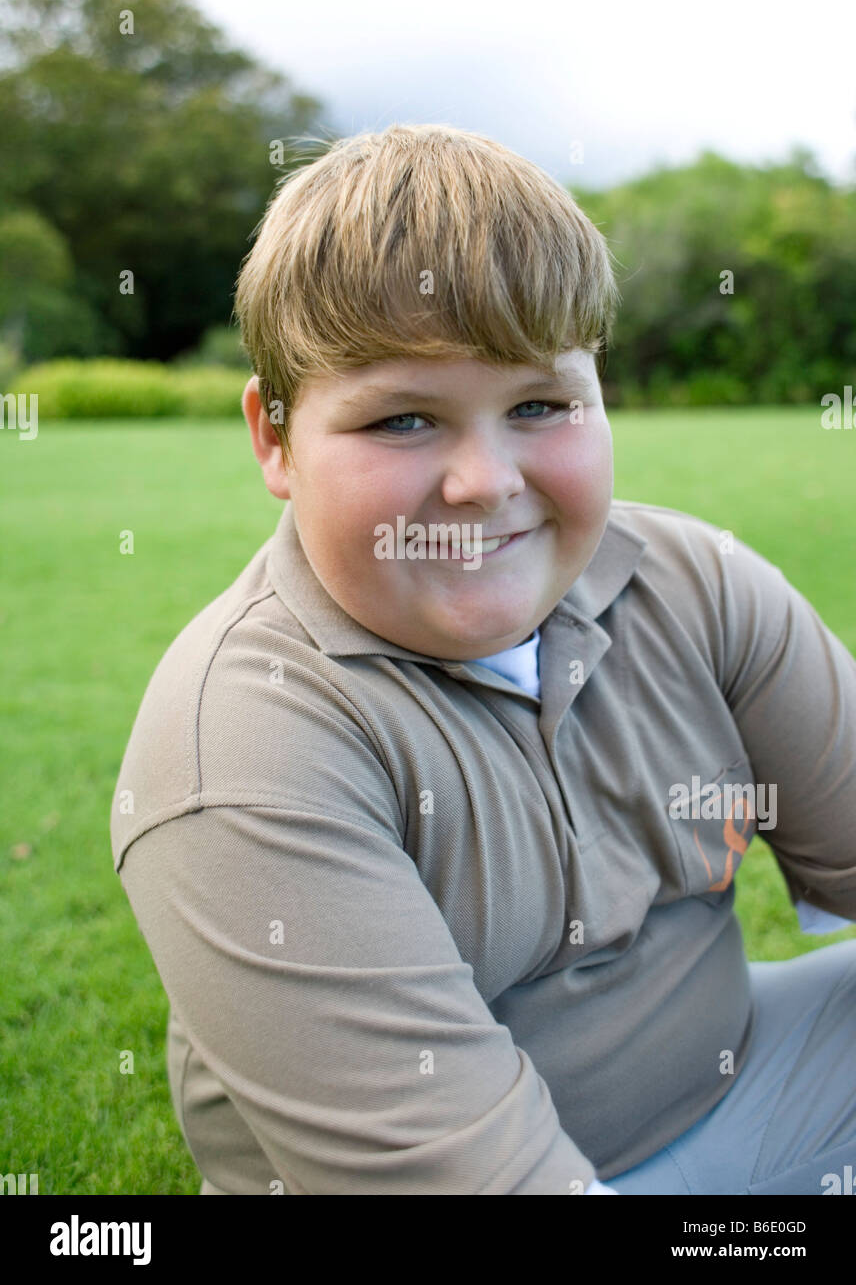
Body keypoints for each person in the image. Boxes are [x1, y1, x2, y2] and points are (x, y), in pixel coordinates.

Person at [110, 123, 856, 1195]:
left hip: (749, 1083)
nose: (482, 482)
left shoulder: (696, 580)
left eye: (539, 405)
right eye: (404, 418)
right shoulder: (244, 740)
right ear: (273, 439)